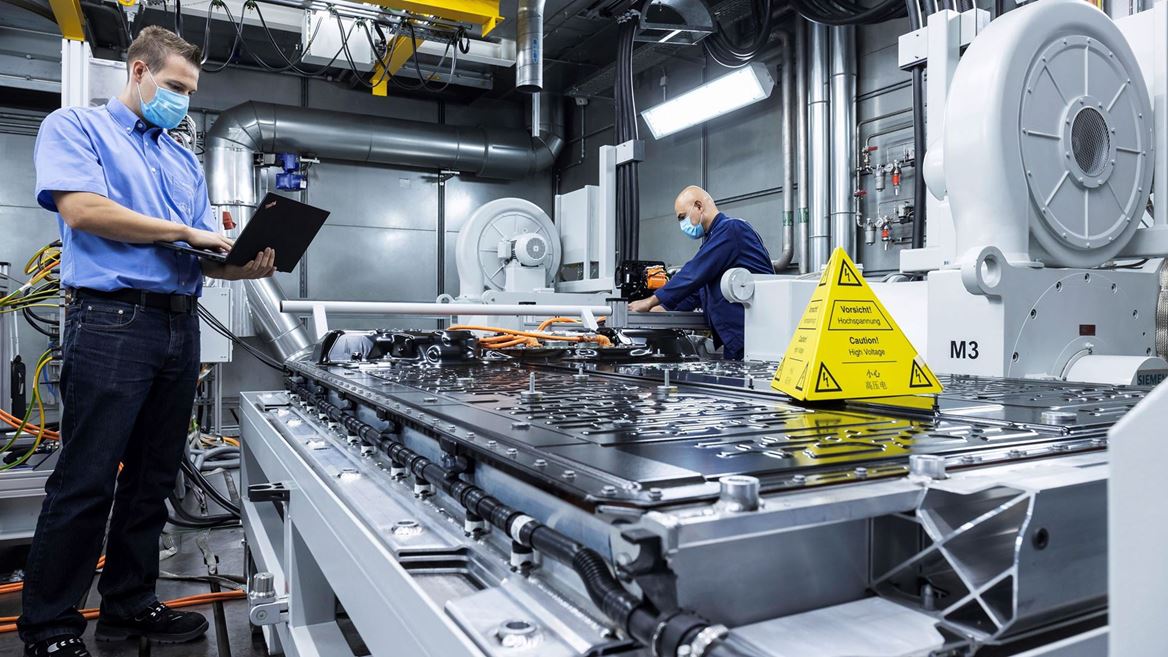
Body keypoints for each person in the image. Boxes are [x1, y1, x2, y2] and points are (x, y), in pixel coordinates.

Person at [19, 26, 276, 657]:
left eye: (190, 91)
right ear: (138, 72)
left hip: (176, 323)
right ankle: (50, 627)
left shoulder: (182, 159)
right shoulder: (76, 128)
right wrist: (188, 234)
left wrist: (238, 263)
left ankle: (129, 604)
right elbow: (83, 211)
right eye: (174, 87)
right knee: (87, 479)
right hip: (111, 321)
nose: (183, 102)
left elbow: (197, 253)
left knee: (153, 477)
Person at [628, 186, 774, 360]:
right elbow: (699, 290)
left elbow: (693, 274)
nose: (682, 224)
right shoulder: (713, 239)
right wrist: (663, 308)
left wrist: (651, 300)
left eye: (682, 217)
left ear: (698, 206)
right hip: (737, 338)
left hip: (754, 336)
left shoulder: (732, 230)